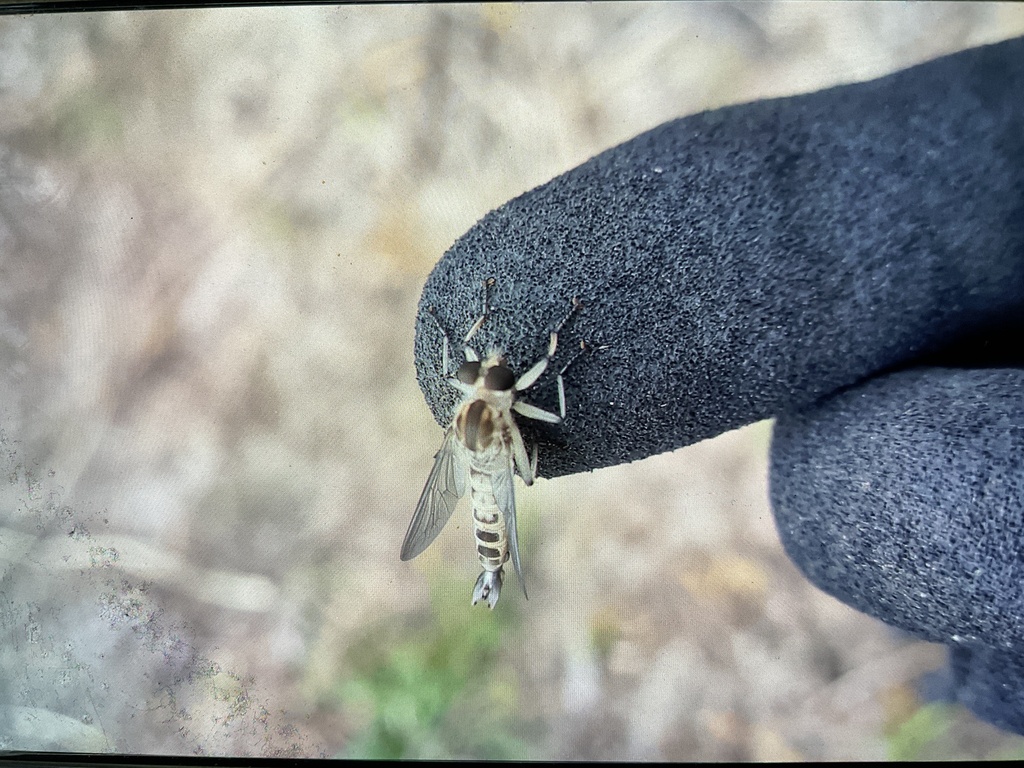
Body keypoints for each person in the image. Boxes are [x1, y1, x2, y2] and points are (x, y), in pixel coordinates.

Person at [414, 35, 1024, 735]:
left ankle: (489, 573)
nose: (486, 368)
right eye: (483, 374)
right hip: (497, 458)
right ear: (490, 393)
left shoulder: (479, 405)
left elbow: (493, 402)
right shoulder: (504, 404)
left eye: (479, 372)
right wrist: (560, 350)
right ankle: (494, 568)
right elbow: (539, 405)